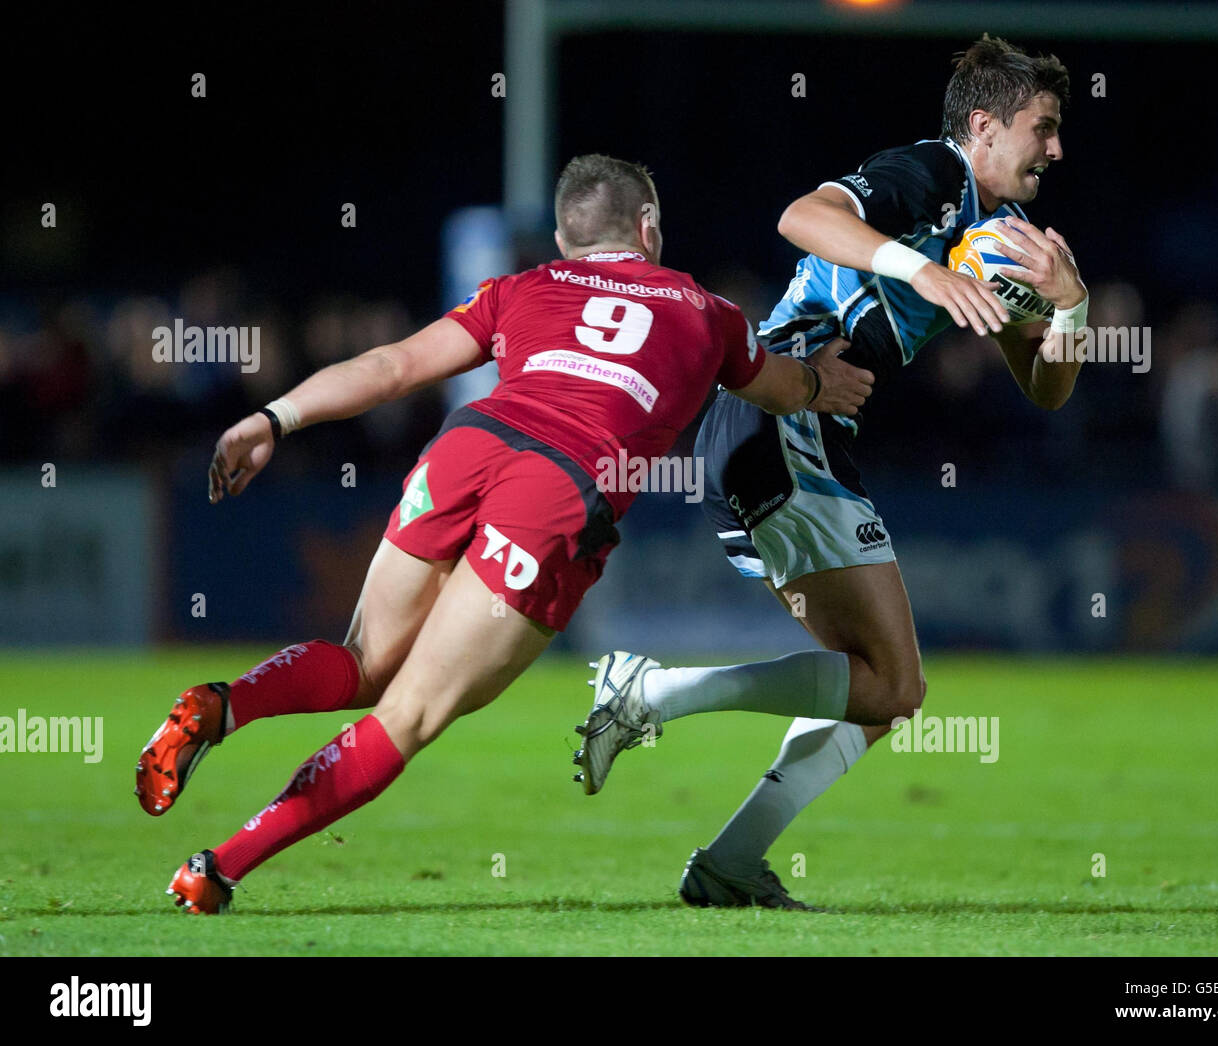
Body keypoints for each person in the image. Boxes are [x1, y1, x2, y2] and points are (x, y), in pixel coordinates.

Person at [137, 153, 874, 913]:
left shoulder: (521, 288)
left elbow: (393, 366)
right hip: (558, 489)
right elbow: (781, 388)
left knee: (363, 664)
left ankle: (220, 706)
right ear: (648, 227)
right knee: (411, 715)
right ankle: (218, 866)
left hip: (467, 448)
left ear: (563, 238)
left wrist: (273, 418)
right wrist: (823, 381)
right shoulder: (705, 312)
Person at [573, 37, 1088, 909]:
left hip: (791, 429)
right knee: (895, 683)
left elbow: (1045, 389)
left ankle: (730, 863)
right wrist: (916, 266)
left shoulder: (992, 241)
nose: (1056, 149)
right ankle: (652, 691)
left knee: (877, 692)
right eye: (1043, 128)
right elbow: (801, 216)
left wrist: (1073, 310)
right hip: (786, 411)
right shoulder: (930, 172)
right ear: (984, 127)